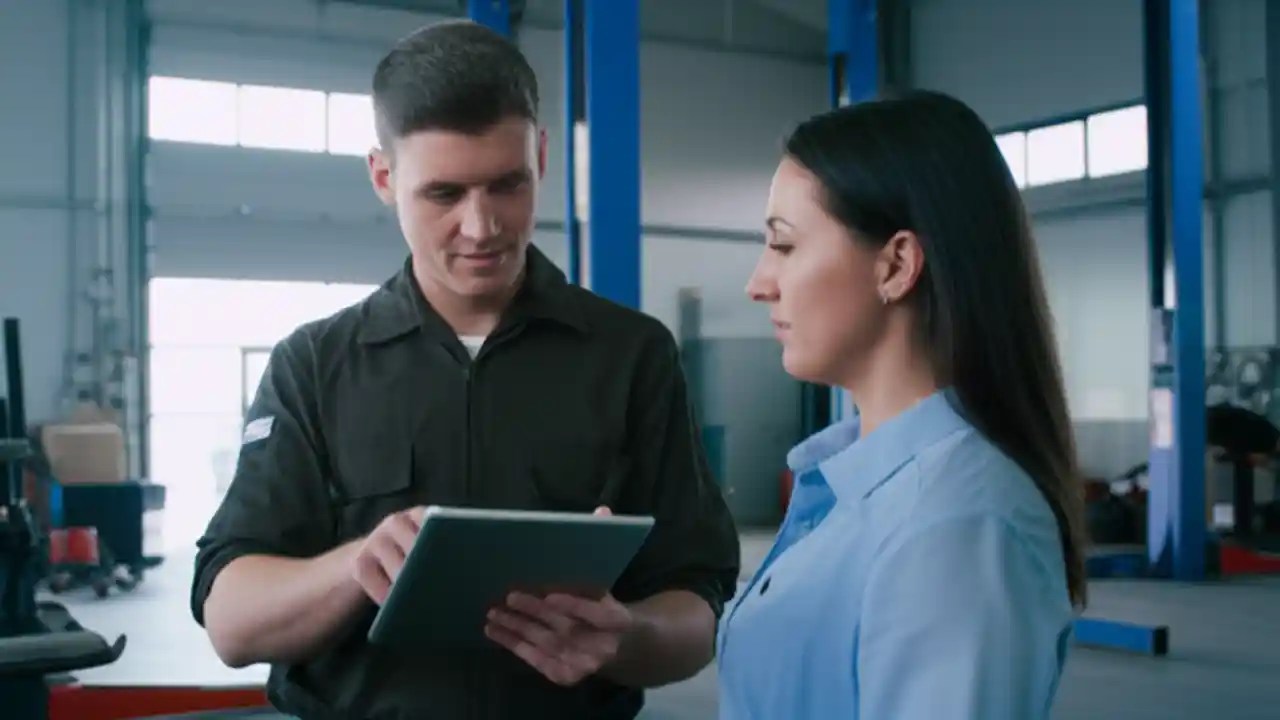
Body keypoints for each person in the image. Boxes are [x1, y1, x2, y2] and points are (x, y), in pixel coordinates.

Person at [191, 20, 739, 719]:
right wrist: (360, 565)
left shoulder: (633, 355)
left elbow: (697, 607)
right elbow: (233, 624)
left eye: (508, 185)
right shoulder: (315, 366)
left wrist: (626, 637)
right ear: (384, 177)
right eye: (444, 194)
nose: (482, 228)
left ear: (540, 155)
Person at [717, 90, 1088, 719]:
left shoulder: (959, 528)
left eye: (783, 246)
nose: (758, 283)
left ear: (896, 265)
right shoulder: (857, 483)